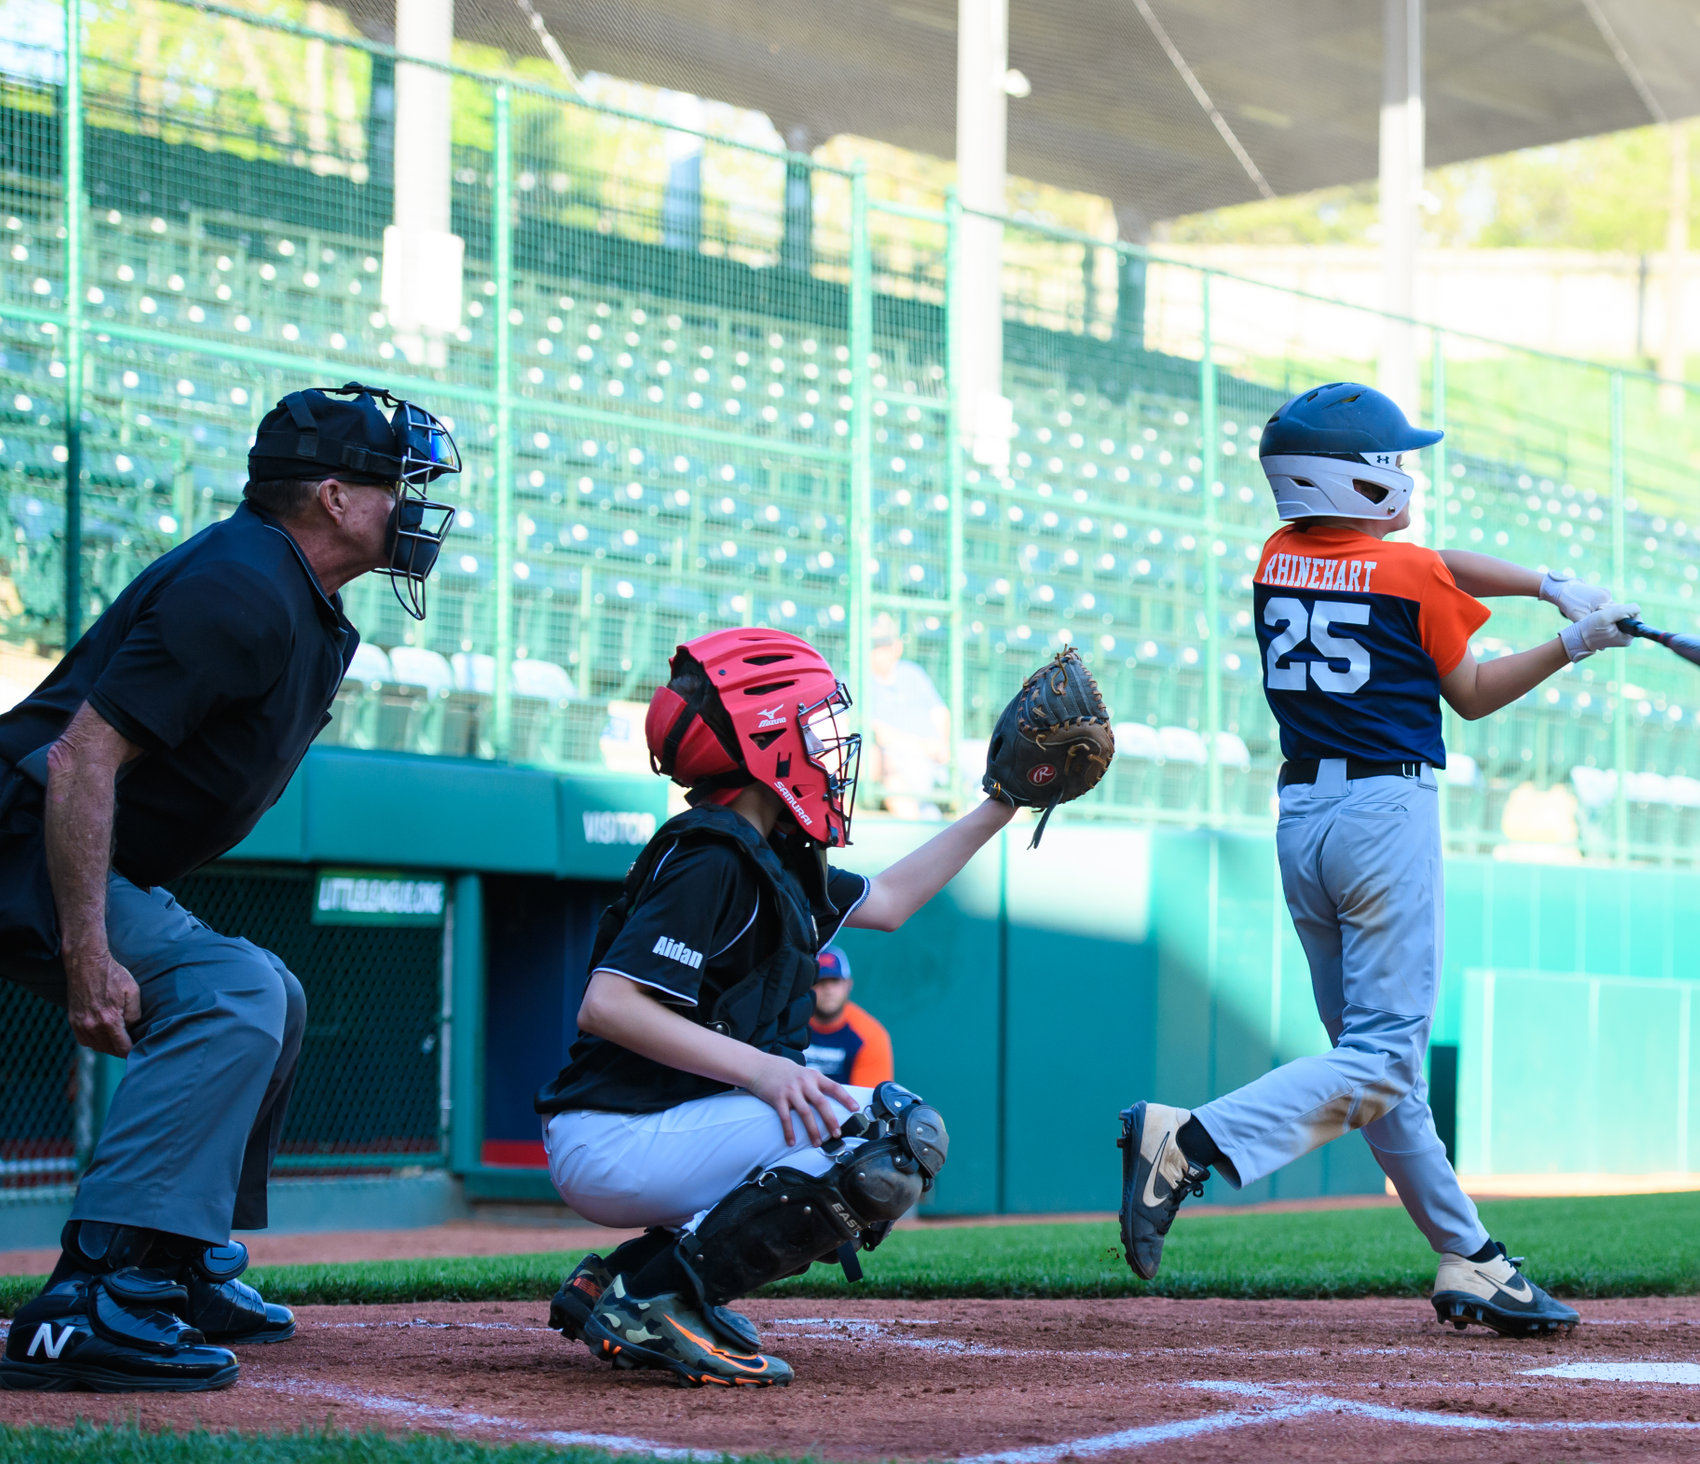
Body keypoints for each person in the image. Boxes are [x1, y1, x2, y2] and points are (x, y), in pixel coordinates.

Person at [1113, 381, 1640, 1338]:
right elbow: (1472, 691)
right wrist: (1570, 642)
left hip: (1302, 815)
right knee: (1383, 1058)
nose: (1402, 476)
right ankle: (1188, 1140)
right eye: (1388, 463)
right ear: (1344, 480)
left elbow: (1432, 566)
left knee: (1375, 1069)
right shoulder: (1406, 576)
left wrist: (1543, 579)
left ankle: (1471, 1257)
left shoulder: (1277, 558)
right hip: (1383, 814)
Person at [0, 383, 457, 1394]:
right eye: (397, 485)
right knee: (232, 990)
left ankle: (177, 1260)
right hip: (24, 838)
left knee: (274, 991)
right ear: (335, 497)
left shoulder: (288, 586)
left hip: (61, 840)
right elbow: (81, 760)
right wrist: (88, 950)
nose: (416, 506)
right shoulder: (243, 587)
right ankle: (93, 1294)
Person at [537, 626, 1083, 1387]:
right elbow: (607, 1004)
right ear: (768, 744)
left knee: (873, 1128)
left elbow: (889, 901)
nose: (830, 749)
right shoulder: (712, 855)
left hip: (650, 1124)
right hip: (619, 1135)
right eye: (813, 730)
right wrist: (764, 1073)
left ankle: (624, 1279)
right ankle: (659, 1299)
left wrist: (1003, 802)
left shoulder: (767, 851)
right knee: (890, 1135)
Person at [865, 613, 950, 818]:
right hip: (896, 760)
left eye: (885, 646)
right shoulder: (859, 677)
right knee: (893, 779)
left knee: (982, 758)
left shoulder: (912, 672)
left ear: (896, 647)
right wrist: (920, 745)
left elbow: (941, 712)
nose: (880, 652)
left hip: (933, 760)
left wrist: (943, 744)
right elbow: (872, 728)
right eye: (875, 646)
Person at [803, 946, 894, 1089]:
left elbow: (867, 1104)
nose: (828, 989)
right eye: (820, 982)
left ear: (848, 984)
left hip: (845, 1110)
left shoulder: (870, 1036)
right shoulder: (788, 1022)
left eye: (834, 981)